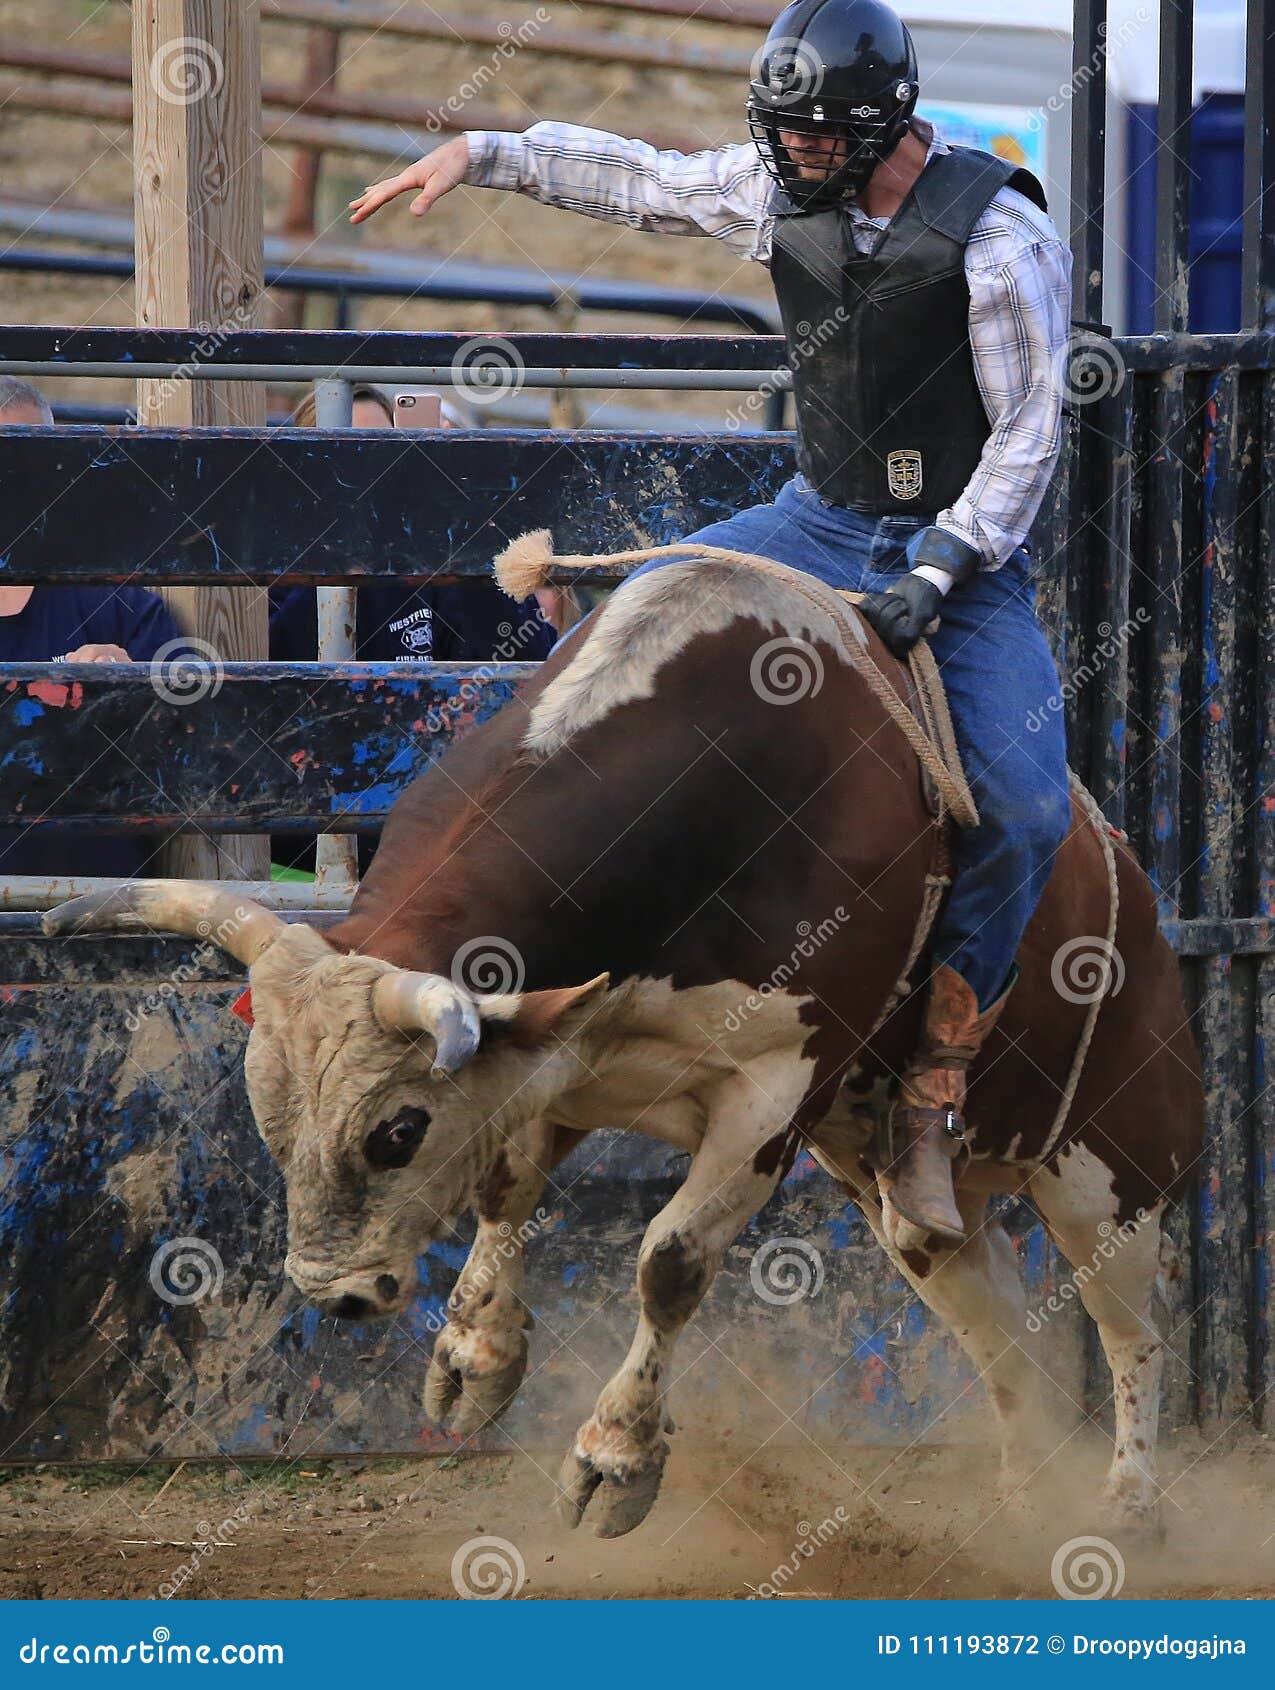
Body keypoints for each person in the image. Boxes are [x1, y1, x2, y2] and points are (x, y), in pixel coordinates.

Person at [347, 0, 1075, 1246]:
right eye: (779, 134)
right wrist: (489, 153)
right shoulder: (779, 181)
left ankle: (929, 1095)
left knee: (1025, 809)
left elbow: (1026, 432)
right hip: (818, 516)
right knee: (637, 626)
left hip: (962, 544)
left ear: (881, 125)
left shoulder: (1000, 239)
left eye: (810, 137)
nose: (785, 155)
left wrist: (947, 561)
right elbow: (643, 181)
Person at [0, 377, 186, 883]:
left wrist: (130, 695)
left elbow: (193, 748)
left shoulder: (121, 606)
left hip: (97, 918)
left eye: (30, 460)